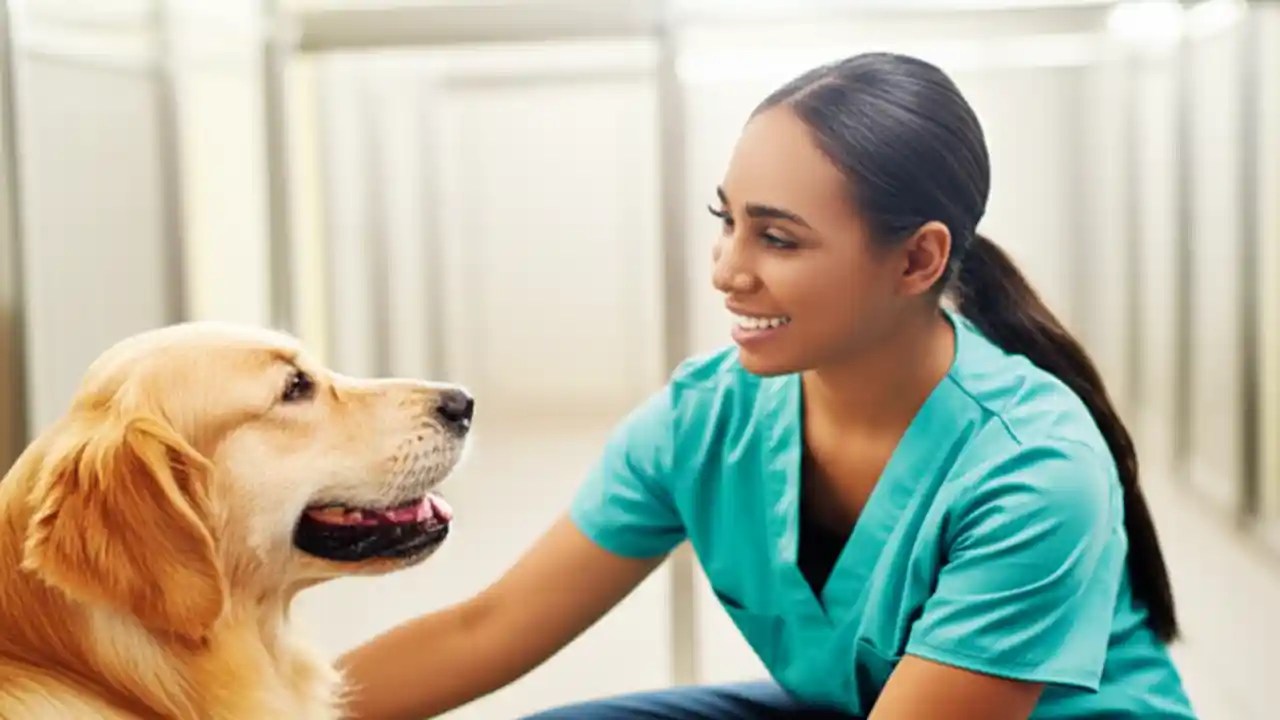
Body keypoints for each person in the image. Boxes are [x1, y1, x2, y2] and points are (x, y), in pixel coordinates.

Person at [335, 52, 1198, 720]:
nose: (727, 271)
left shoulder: (1035, 468)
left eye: (778, 239)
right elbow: (485, 628)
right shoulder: (706, 420)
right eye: (728, 222)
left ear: (916, 258)